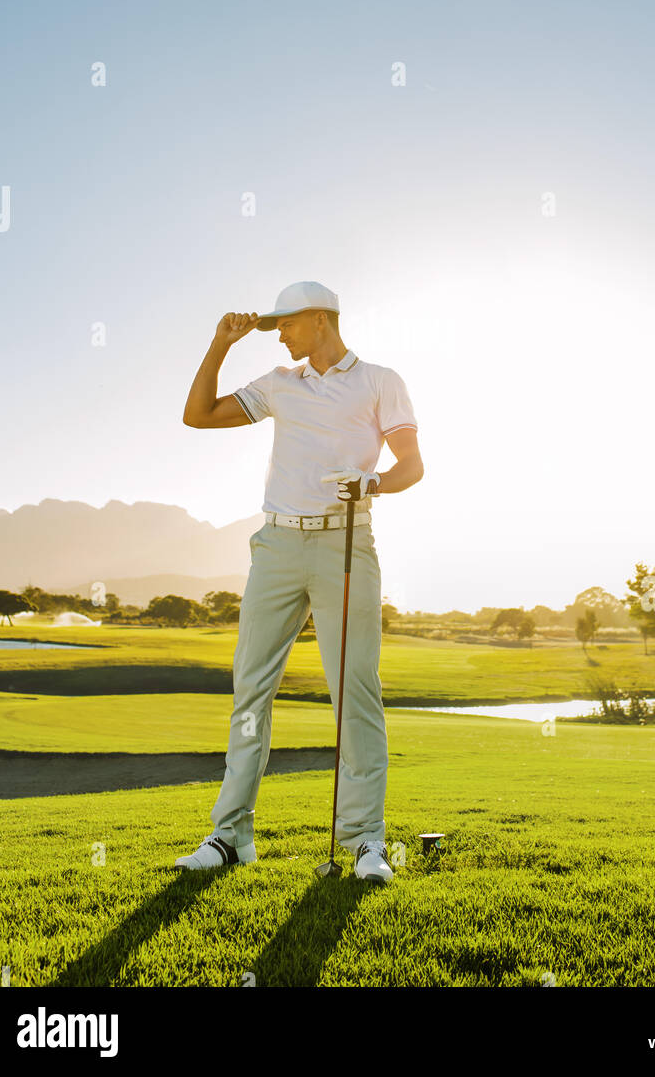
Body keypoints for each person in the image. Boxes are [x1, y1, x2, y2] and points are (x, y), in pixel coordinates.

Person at [175, 281, 424, 882]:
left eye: (285, 324)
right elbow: (198, 416)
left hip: (346, 540)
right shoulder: (279, 384)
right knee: (251, 690)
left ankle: (366, 842)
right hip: (278, 545)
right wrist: (220, 344)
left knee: (355, 691)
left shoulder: (380, 380)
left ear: (320, 319)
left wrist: (373, 484)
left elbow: (411, 466)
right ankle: (230, 836)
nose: (279, 335)